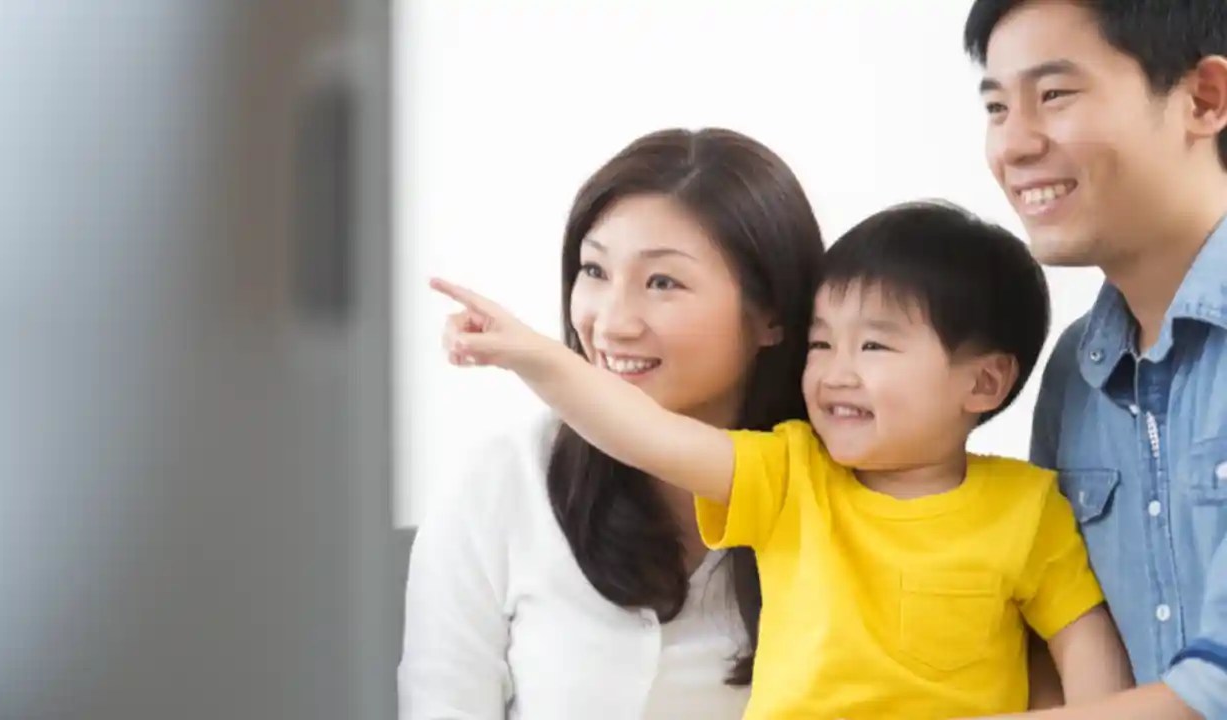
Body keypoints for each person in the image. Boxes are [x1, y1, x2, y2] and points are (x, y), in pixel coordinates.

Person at [431, 200, 1134, 718]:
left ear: (982, 382)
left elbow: (1085, 647)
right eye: (822, 344)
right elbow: (643, 433)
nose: (834, 373)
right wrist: (531, 355)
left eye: (875, 347)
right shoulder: (792, 473)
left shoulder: (1027, 506)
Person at [397, 127, 825, 719]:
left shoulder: (839, 494)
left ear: (771, 315)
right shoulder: (500, 483)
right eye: (594, 271)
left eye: (662, 283)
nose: (612, 322)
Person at [964, 1, 1227, 717]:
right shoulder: (1076, 371)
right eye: (995, 107)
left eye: (1054, 95)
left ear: (1204, 99)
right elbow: (1057, 628)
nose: (1013, 146)